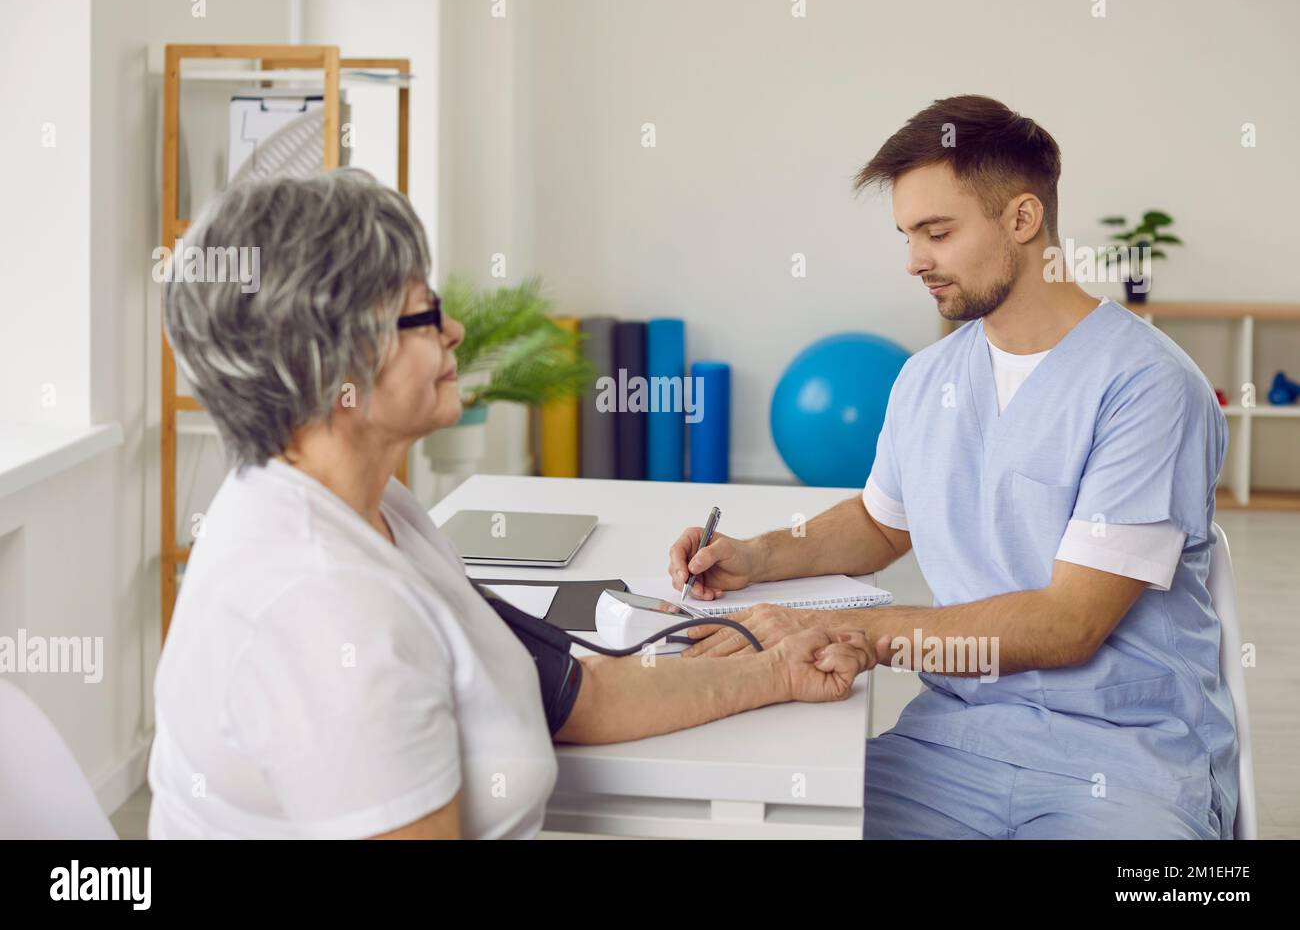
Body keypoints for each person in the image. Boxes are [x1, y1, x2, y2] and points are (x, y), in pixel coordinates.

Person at [148, 168, 873, 840]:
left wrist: (775, 672)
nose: (454, 331)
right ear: (336, 359)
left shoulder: (372, 510)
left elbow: (572, 694)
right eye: (425, 313)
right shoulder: (325, 608)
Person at [667, 95, 1236, 840]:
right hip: (954, 743)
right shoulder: (927, 377)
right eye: (907, 236)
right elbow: (879, 522)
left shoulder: (1148, 387)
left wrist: (846, 632)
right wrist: (756, 556)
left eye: (937, 232)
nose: (914, 261)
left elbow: (1068, 625)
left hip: (1123, 763)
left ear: (1024, 221)